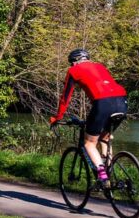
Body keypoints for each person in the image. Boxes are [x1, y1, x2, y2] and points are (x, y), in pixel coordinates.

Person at [50, 49, 127, 188]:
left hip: (103, 103)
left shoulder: (74, 71)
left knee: (89, 143)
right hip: (122, 102)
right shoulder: (100, 66)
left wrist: (57, 117)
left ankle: (103, 178)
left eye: (71, 63)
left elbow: (65, 97)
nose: (71, 66)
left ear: (74, 62)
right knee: (105, 138)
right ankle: (109, 172)